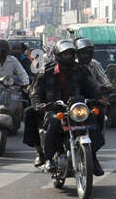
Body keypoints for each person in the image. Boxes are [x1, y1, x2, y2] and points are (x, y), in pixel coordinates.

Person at [29, 39, 102, 175]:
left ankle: (93, 156)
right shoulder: (46, 71)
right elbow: (35, 92)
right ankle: (48, 158)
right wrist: (39, 105)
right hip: (55, 109)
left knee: (96, 117)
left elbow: (92, 88)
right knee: (53, 122)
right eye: (65, 54)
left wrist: (97, 99)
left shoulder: (81, 70)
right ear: (58, 55)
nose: (68, 57)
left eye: (70, 54)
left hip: (76, 108)